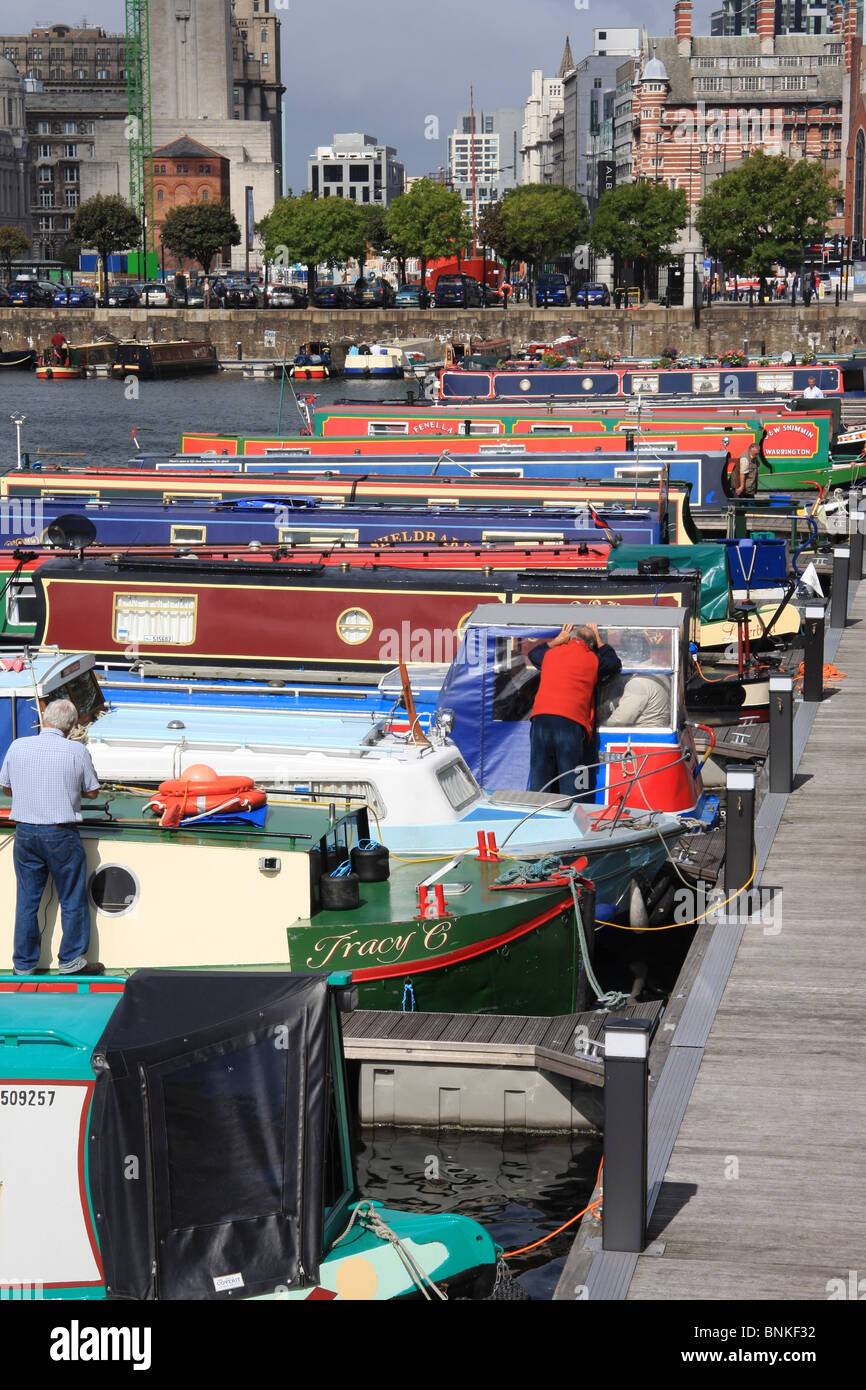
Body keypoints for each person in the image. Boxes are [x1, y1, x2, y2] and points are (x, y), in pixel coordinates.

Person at [0, 699, 103, 976]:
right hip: (59, 833)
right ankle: (70, 961)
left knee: (27, 900)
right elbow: (92, 791)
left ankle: (23, 964)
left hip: (24, 832)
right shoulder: (75, 751)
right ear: (70, 726)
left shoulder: (17, 746)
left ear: (44, 719)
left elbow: (7, 788)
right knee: (71, 897)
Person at [526, 623, 621, 798]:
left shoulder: (550, 654)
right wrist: (600, 641)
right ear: (591, 645)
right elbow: (615, 663)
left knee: (540, 779)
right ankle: (570, 817)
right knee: (571, 780)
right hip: (571, 723)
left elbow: (533, 654)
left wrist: (556, 641)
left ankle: (536, 818)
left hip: (541, 720)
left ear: (569, 638)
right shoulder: (593, 659)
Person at [598, 671, 670, 729]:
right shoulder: (658, 676)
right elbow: (627, 699)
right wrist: (606, 708)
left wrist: (602, 725)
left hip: (641, 736)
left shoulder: (638, 683)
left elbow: (620, 720)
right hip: (656, 733)